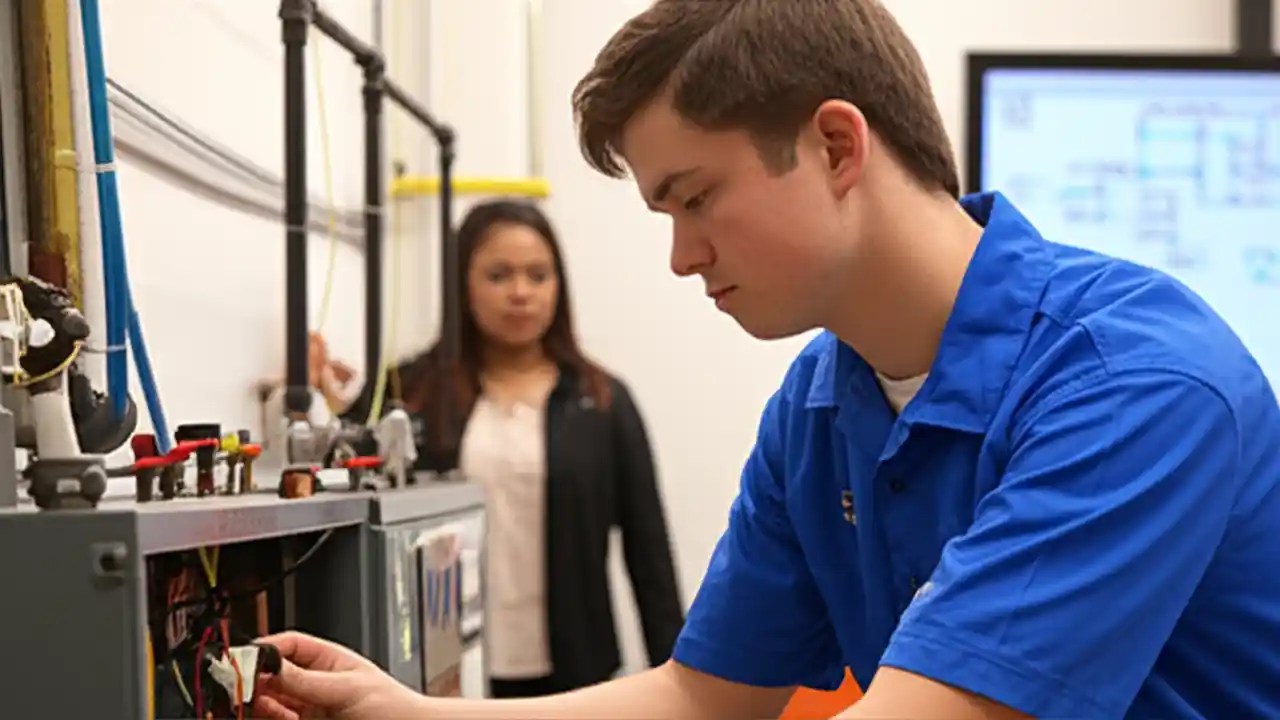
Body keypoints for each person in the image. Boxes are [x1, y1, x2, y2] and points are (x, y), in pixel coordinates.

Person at [253, 1, 1280, 718]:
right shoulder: (818, 410)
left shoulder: (1130, 383)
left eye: (694, 198)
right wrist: (406, 714)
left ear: (837, 147)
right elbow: (703, 695)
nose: (679, 255)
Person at [308, 199, 685, 698]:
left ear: (559, 286)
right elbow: (341, 472)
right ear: (463, 284)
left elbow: (649, 556)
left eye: (538, 275)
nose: (521, 293)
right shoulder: (413, 389)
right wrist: (313, 397)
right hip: (443, 676)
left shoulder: (603, 401)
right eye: (499, 275)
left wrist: (683, 684)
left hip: (576, 676)